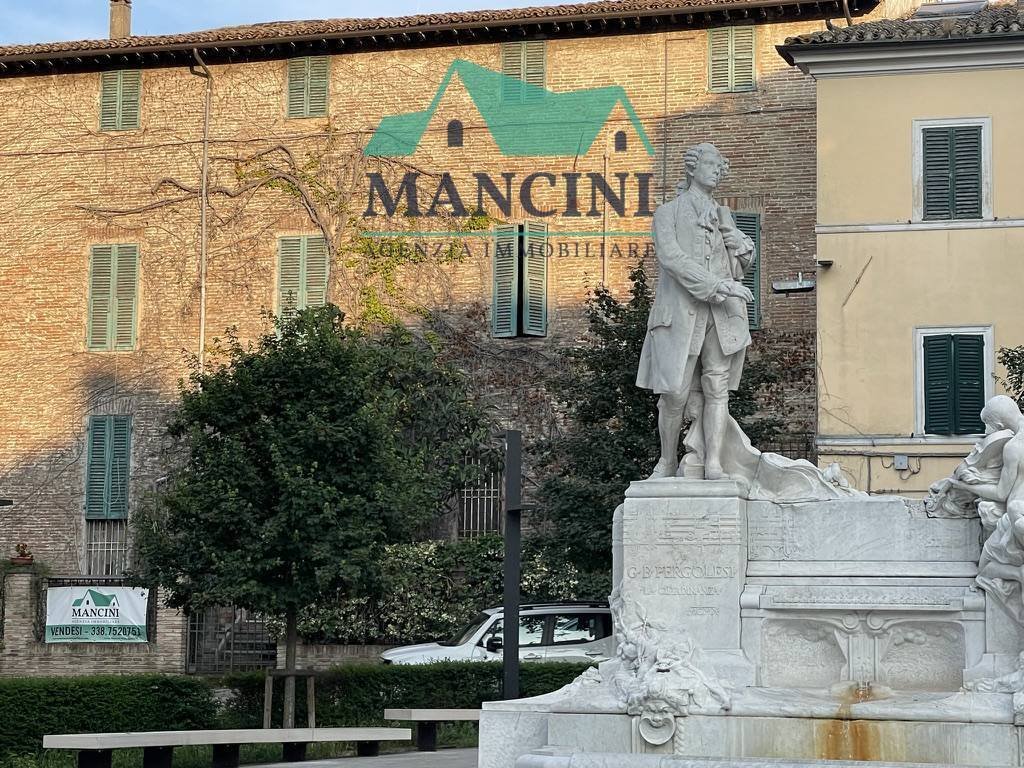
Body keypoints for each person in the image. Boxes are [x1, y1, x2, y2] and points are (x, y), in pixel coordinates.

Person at [636, 142, 755, 480]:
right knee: (674, 393)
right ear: (692, 168)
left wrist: (741, 246)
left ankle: (713, 462)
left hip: (722, 315)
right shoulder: (668, 213)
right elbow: (672, 258)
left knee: (717, 386)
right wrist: (718, 285)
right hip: (681, 314)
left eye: (721, 165)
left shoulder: (723, 214)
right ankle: (667, 461)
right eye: (712, 163)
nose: (718, 169)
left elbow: (740, 264)